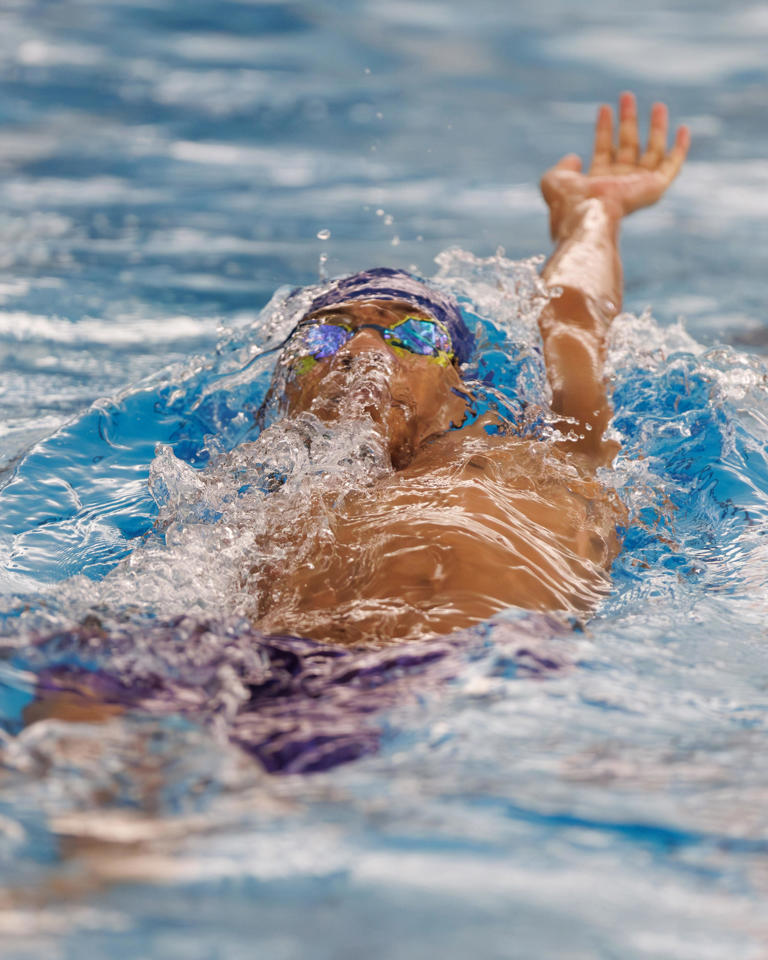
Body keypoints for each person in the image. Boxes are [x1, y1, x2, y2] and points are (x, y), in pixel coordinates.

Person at [245, 92, 690, 647]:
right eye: (325, 336)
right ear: (287, 391)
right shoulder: (244, 513)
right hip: (255, 671)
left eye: (412, 336)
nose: (362, 351)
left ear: (458, 390)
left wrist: (596, 209)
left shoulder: (542, 457)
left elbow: (571, 319)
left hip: (464, 680)